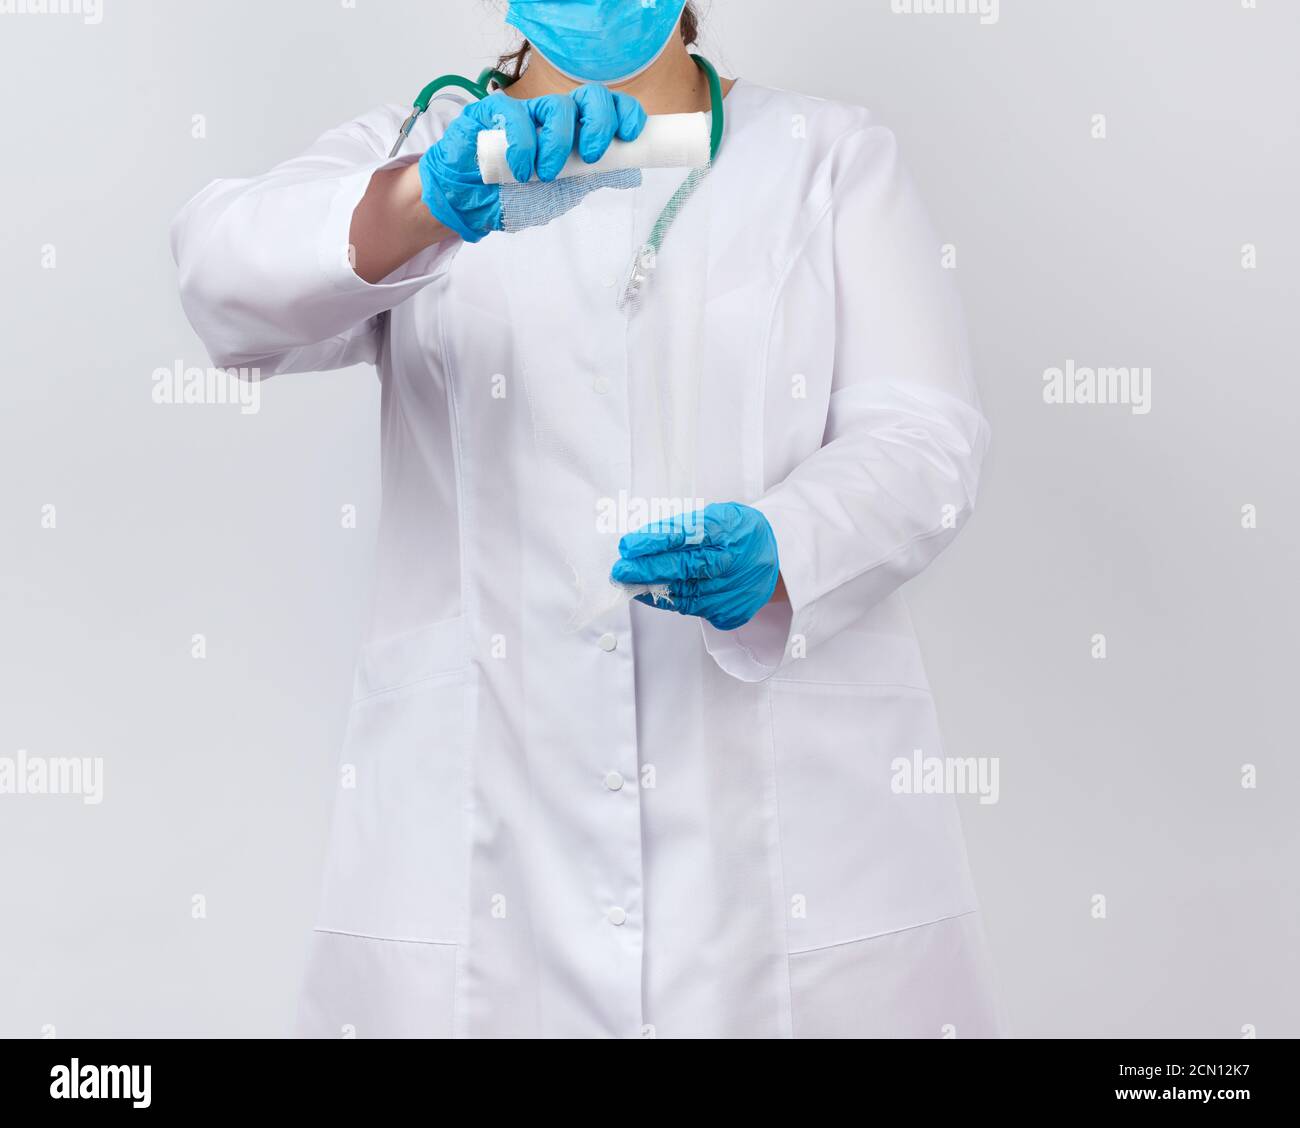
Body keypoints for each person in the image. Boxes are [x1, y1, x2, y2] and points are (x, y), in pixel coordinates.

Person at [172, 0, 1002, 1038]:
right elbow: (219, 279)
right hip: (489, 821)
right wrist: (420, 205)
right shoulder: (424, 152)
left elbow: (926, 437)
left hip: (774, 839)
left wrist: (788, 548)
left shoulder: (825, 157)